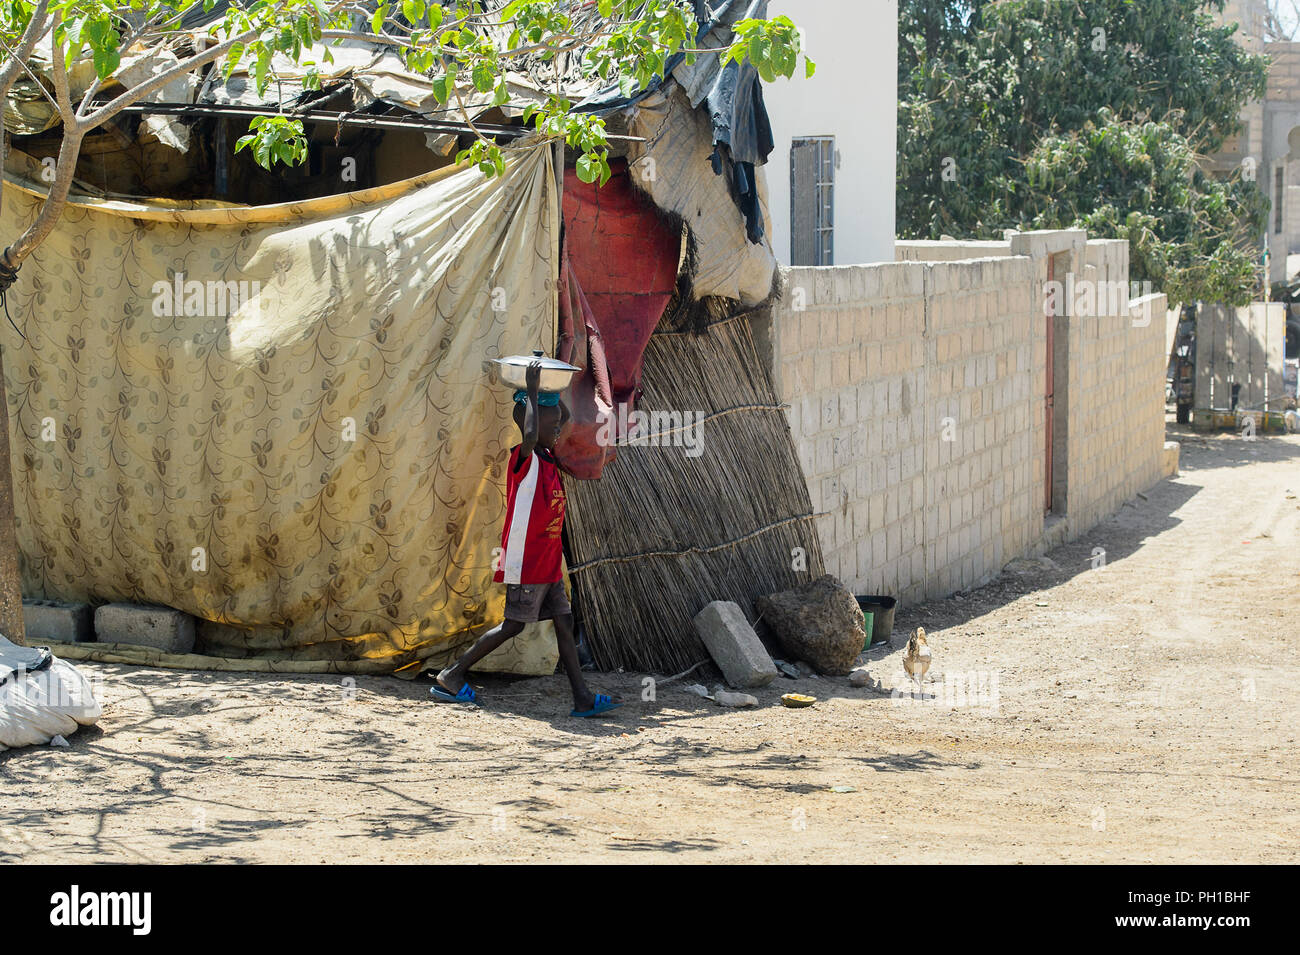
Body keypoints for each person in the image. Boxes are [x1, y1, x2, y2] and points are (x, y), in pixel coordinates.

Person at [431, 359, 621, 717]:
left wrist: (551, 388)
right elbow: (531, 433)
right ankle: (451, 675)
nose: (559, 428)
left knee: (564, 621)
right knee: (514, 625)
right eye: (552, 425)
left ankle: (581, 698)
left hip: (548, 564)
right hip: (527, 561)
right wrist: (532, 392)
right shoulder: (525, 458)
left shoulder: (548, 458)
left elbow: (558, 417)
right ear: (531, 425)